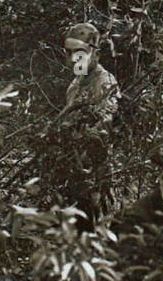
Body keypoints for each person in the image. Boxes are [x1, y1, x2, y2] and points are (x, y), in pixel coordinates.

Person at [47, 23, 120, 219]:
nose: (72, 59)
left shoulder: (104, 83)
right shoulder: (75, 83)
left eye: (79, 52)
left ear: (95, 53)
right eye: (68, 52)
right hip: (71, 167)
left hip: (93, 171)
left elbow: (103, 128)